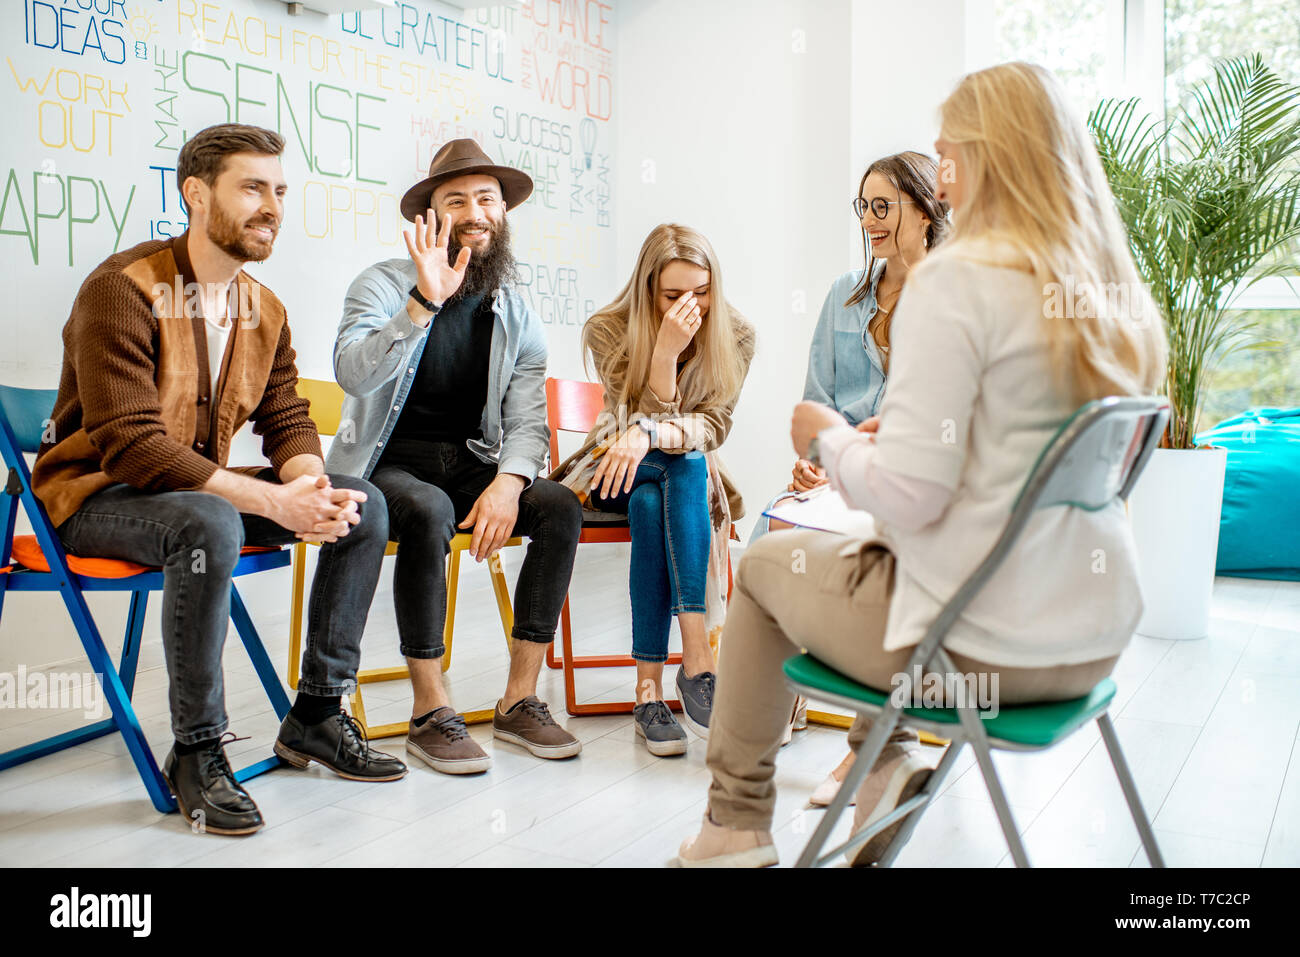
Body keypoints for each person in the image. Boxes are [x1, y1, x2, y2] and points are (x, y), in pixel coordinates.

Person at [674, 61, 1168, 867]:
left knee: (766, 567)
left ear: (992, 155)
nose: (942, 178)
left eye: (949, 154)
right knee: (881, 564)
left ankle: (733, 827)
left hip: (984, 654)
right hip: (1089, 642)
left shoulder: (957, 282)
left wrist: (829, 439)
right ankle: (884, 772)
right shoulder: (1113, 297)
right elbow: (1009, 457)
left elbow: (908, 497)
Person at [32, 124, 406, 837]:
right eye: (253, 188)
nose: (272, 206)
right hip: (94, 497)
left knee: (363, 502)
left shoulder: (264, 309)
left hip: (193, 497)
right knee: (212, 522)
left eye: (280, 191)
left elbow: (287, 416)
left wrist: (308, 488)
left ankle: (319, 714)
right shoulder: (123, 288)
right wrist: (270, 499)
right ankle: (198, 750)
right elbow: (133, 447)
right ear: (196, 195)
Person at [327, 139, 584, 775]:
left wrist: (508, 483)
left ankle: (520, 699)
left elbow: (526, 420)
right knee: (428, 506)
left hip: (471, 461)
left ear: (503, 213)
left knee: (558, 506)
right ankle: (429, 708)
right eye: (456, 200)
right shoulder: (383, 286)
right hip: (387, 463)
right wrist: (422, 302)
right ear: (432, 216)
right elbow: (352, 376)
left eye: (486, 199)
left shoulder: (518, 313)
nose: (475, 211)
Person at [753, 153, 950, 791]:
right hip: (843, 472)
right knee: (770, 532)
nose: (869, 220)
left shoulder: (957, 301)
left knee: (879, 567)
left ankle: (868, 749)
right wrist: (814, 464)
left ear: (926, 211)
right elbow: (820, 402)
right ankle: (774, 702)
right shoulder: (844, 295)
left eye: (883, 206)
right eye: (862, 206)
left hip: (909, 483)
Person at [551, 224, 755, 757]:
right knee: (668, 471)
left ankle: (648, 691)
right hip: (613, 473)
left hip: (665, 475)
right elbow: (620, 424)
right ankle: (697, 658)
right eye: (673, 295)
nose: (691, 307)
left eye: (702, 293)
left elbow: (713, 427)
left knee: (662, 489)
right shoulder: (608, 330)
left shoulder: (737, 335)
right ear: (647, 288)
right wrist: (664, 356)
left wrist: (647, 432)